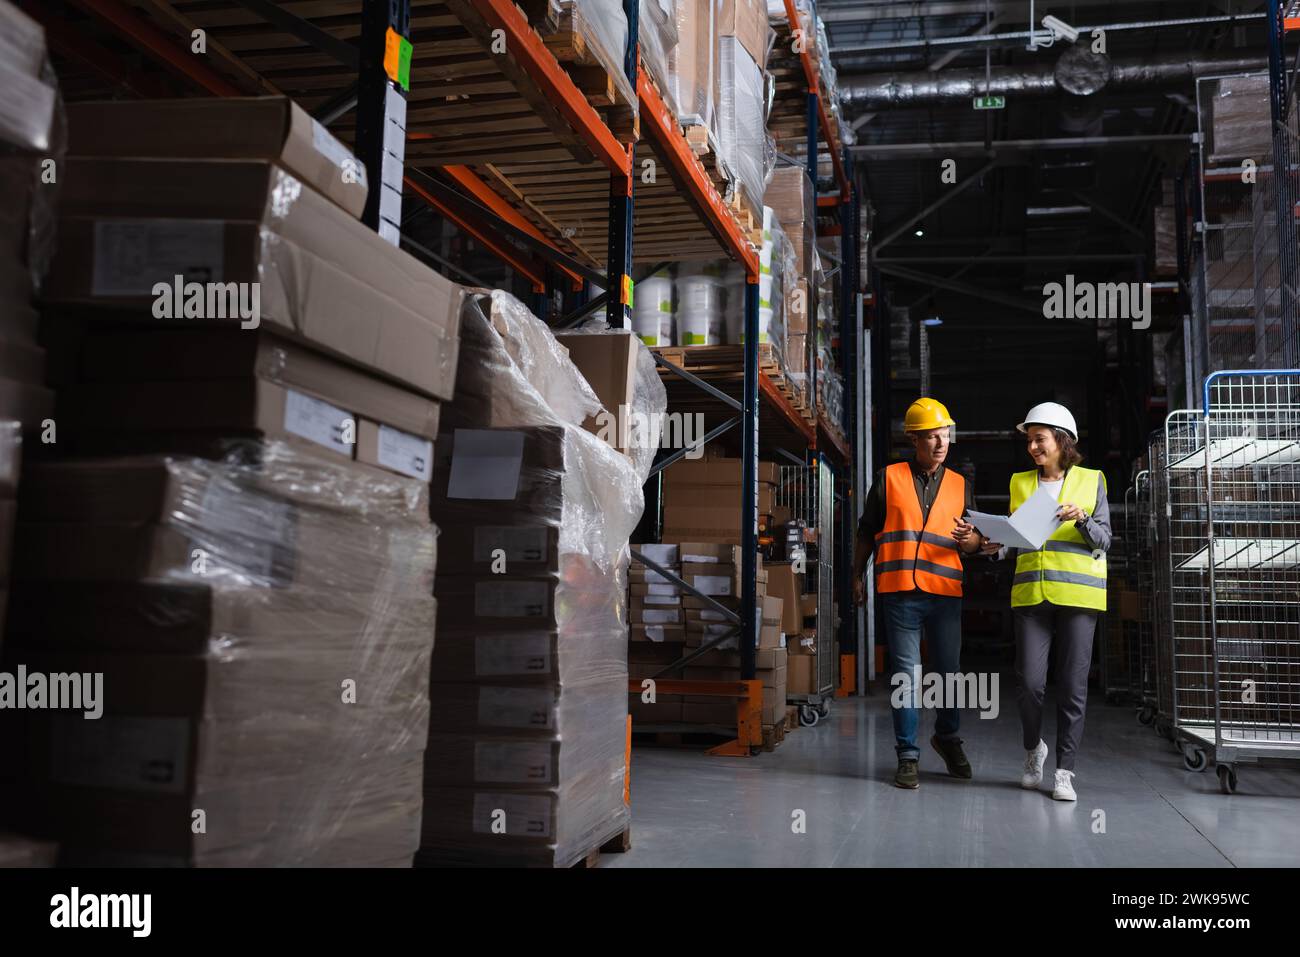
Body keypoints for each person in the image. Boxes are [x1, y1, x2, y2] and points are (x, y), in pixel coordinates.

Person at [958, 402, 1110, 802]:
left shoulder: (1092, 481)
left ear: (1062, 441)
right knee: (1029, 684)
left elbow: (1105, 540)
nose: (1032, 447)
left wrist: (1082, 519)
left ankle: (1064, 771)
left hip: (1078, 594)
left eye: (1039, 439)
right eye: (1029, 441)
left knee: (1073, 686)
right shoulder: (1020, 483)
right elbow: (1019, 538)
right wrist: (995, 546)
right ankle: (1033, 749)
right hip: (1031, 594)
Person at [853, 398, 985, 789]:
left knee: (948, 673)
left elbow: (974, 543)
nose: (941, 444)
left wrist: (971, 540)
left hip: (944, 593)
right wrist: (856, 577)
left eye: (945, 436)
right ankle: (907, 755)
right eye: (932, 437)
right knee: (906, 677)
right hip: (900, 593)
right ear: (913, 439)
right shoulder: (889, 478)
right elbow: (866, 531)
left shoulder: (960, 485)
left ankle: (948, 738)